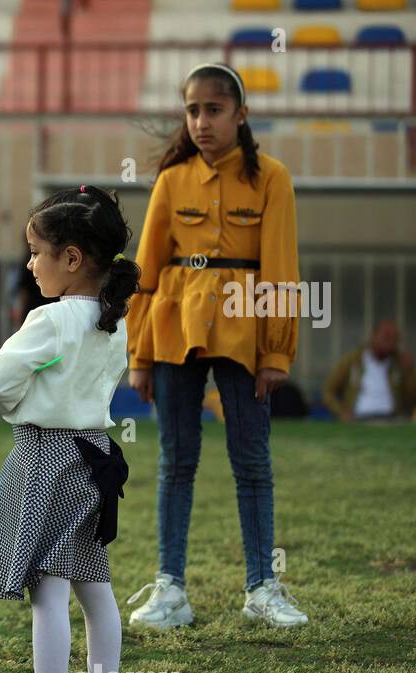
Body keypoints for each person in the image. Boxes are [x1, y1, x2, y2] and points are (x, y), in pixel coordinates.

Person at [125, 62, 309, 630]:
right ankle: (170, 590)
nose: (201, 121)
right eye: (192, 110)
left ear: (240, 115)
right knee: (175, 461)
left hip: (243, 327)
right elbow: (146, 271)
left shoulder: (271, 177)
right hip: (175, 327)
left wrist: (277, 352)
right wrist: (139, 353)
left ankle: (261, 587)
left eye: (214, 109)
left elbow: (281, 269)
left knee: (252, 460)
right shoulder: (172, 179)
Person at [0, 186, 138, 673]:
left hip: (47, 458)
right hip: (95, 458)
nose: (30, 263)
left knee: (47, 585)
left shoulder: (50, 321)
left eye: (36, 251)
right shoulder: (113, 323)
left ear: (72, 258)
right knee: (93, 583)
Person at [322, 320, 416, 421]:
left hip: (392, 419)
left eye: (395, 340)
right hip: (358, 419)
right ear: (374, 336)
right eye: (386, 338)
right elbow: (328, 392)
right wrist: (341, 412)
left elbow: (414, 400)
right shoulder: (353, 360)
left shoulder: (399, 364)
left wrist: (410, 373)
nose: (390, 344)